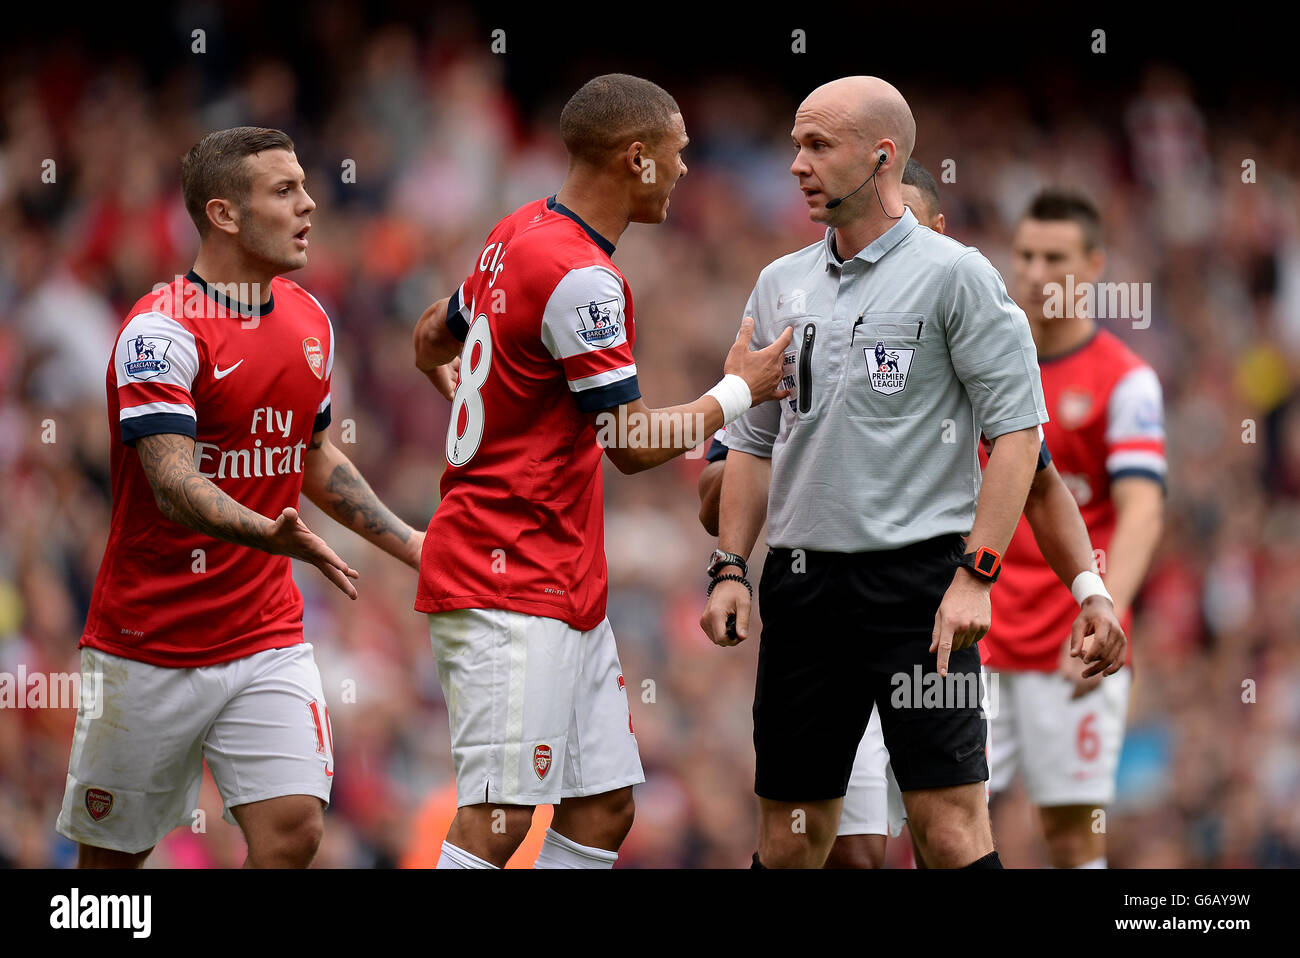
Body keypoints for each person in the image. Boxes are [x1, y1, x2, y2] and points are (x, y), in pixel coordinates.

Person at [701, 75, 1125, 870]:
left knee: (951, 832)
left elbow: (1019, 442)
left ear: (882, 156)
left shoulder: (957, 276)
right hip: (802, 589)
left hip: (919, 592)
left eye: (817, 145)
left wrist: (976, 575)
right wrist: (730, 565)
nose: (796, 164)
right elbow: (755, 443)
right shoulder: (778, 283)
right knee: (790, 842)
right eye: (796, 144)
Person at [411, 74, 790, 870]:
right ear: (637, 158)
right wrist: (738, 391)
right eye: (679, 156)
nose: (687, 171)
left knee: (606, 806)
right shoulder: (583, 278)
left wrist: (466, 393)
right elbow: (630, 443)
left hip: (558, 578)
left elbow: (427, 337)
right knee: (499, 819)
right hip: (506, 573)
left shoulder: (514, 233)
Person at [56, 126, 426, 869]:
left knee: (295, 830)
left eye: (305, 187)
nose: (310, 205)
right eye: (284, 191)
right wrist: (270, 533)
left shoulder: (309, 321)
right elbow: (173, 484)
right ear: (225, 214)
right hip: (147, 644)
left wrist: (416, 545)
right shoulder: (158, 333)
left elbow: (313, 454)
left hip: (264, 635)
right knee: (110, 869)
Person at [984, 189, 1166, 868]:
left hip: (1071, 642)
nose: (1033, 271)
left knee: (1070, 836)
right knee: (943, 817)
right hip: (978, 635)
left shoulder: (1126, 382)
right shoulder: (986, 366)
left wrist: (1106, 612)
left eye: (1053, 257)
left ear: (1093, 266)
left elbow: (1143, 508)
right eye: (1024, 254)